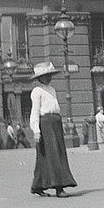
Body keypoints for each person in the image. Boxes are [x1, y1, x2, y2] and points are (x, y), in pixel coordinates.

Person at [29, 61, 78, 198]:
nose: (48, 78)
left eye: (49, 75)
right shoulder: (37, 91)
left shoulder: (52, 90)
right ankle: (58, 187)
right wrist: (36, 131)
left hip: (55, 122)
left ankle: (38, 185)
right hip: (46, 124)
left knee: (51, 154)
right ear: (39, 78)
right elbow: (35, 111)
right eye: (45, 76)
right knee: (53, 154)